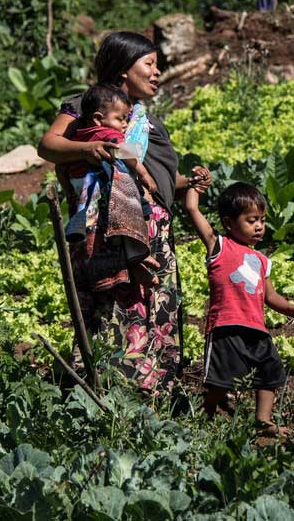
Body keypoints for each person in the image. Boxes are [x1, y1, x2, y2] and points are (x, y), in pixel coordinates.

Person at [38, 31, 212, 393]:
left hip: (155, 234)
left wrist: (187, 183)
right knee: (115, 306)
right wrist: (89, 149)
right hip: (111, 231)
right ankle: (106, 392)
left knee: (156, 308)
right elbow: (49, 145)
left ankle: (154, 393)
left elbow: (155, 180)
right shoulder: (89, 105)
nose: (157, 72)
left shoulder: (144, 120)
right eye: (148, 64)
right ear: (121, 72)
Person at [184, 182, 294, 436]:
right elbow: (191, 208)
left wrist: (292, 309)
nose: (259, 226)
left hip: (256, 327)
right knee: (220, 381)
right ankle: (203, 416)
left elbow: (270, 296)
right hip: (226, 327)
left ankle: (262, 421)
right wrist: (194, 186)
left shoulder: (262, 261)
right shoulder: (218, 245)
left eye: (262, 220)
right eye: (252, 220)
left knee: (270, 372)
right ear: (229, 223)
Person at [61, 83, 159, 273]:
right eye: (120, 118)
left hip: (80, 185)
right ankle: (140, 252)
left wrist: (69, 190)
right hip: (102, 183)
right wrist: (145, 174)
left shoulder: (79, 136)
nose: (124, 124)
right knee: (139, 207)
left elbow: (61, 168)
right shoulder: (108, 133)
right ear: (98, 118)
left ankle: (77, 225)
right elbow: (127, 153)